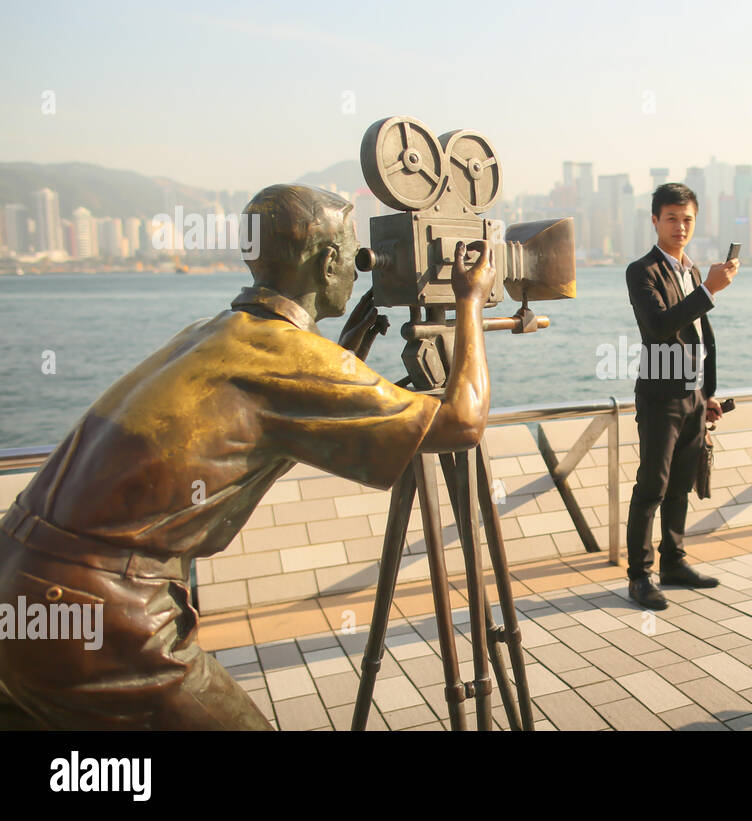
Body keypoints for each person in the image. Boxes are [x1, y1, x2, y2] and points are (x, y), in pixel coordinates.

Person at [0, 184, 494, 729]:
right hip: (96, 608)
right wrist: (469, 301)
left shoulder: (213, 334)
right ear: (327, 262)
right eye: (352, 256)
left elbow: (283, 408)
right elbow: (462, 422)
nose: (361, 269)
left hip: (17, 581)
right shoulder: (289, 357)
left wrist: (346, 351)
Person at [624, 183, 739, 610]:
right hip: (659, 396)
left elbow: (699, 337)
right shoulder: (642, 271)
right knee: (651, 485)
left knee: (680, 486)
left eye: (687, 218)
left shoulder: (691, 271)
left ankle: (673, 562)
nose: (680, 226)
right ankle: (640, 576)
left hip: (692, 396)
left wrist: (707, 393)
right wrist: (709, 291)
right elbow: (658, 327)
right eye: (671, 218)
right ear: (655, 220)